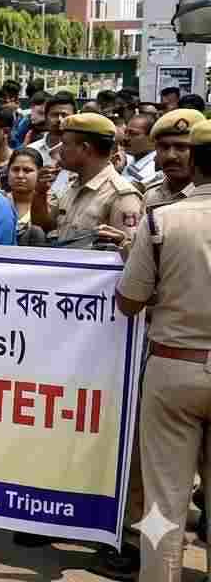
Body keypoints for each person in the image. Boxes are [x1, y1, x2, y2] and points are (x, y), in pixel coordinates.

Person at [117, 119, 211, 582]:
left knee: (163, 501)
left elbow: (129, 302)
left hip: (174, 368)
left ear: (194, 161)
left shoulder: (162, 219)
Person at [31, 112, 144, 248]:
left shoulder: (121, 195)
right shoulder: (73, 185)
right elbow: (44, 226)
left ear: (84, 148)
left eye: (65, 144)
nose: (59, 151)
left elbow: (130, 254)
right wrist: (40, 193)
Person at [143, 110, 207, 210]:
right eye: (164, 147)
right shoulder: (150, 195)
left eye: (181, 147)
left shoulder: (206, 196)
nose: (170, 156)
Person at [5, 148, 48, 246]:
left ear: (39, 173)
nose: (20, 175)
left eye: (27, 170)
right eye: (15, 169)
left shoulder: (50, 204)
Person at [122, 113, 158, 188]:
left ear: (152, 138)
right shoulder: (127, 160)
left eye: (133, 134)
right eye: (125, 132)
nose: (125, 138)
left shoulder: (154, 168)